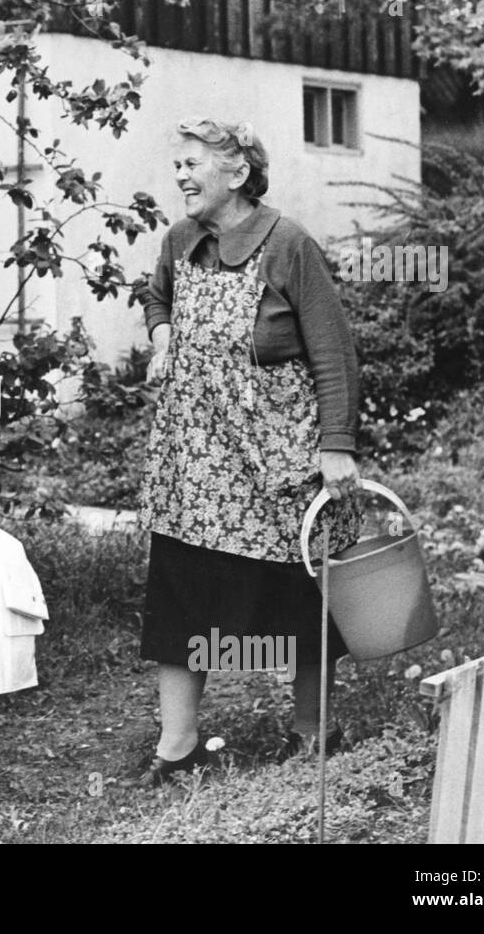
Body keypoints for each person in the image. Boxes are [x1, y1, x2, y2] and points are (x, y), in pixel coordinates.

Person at [128, 116, 364, 787]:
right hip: (192, 462)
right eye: (177, 164)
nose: (180, 175)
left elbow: (334, 352)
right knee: (179, 595)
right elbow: (156, 296)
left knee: (295, 593)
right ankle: (178, 745)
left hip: (274, 455)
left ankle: (315, 732)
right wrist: (165, 332)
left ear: (235, 172)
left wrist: (337, 445)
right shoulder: (181, 239)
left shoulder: (288, 243)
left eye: (192, 163)